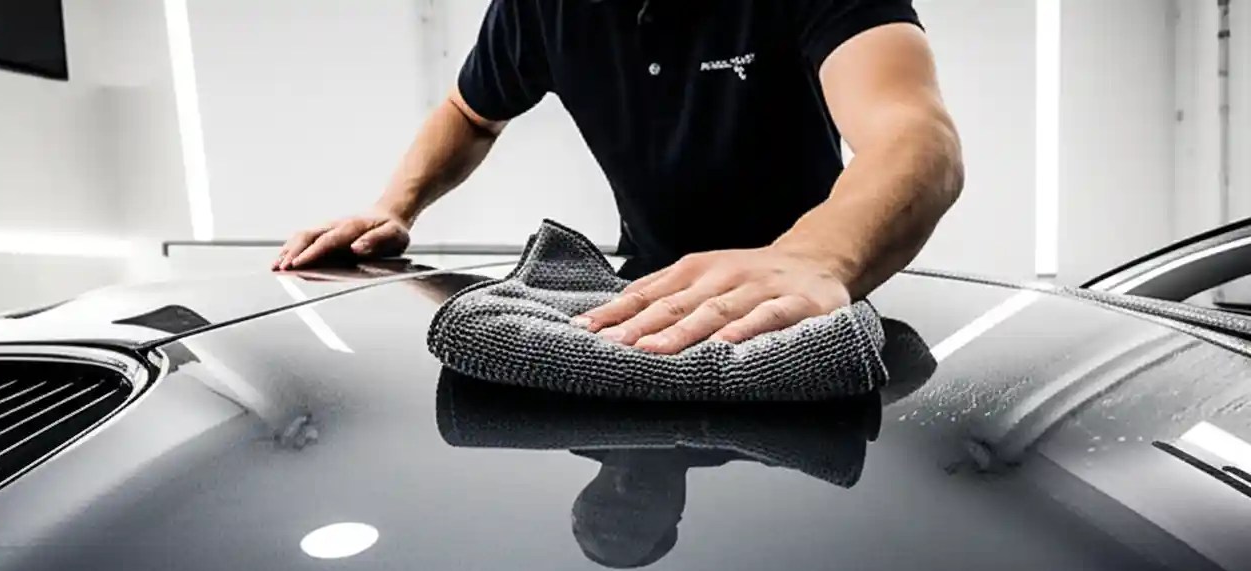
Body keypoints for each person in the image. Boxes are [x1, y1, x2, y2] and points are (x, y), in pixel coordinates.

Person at [276, 0, 964, 355]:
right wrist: (396, 206)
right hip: (647, 289)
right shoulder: (539, 7)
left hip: (810, 296)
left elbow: (915, 136)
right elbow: (469, 112)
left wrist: (818, 257)